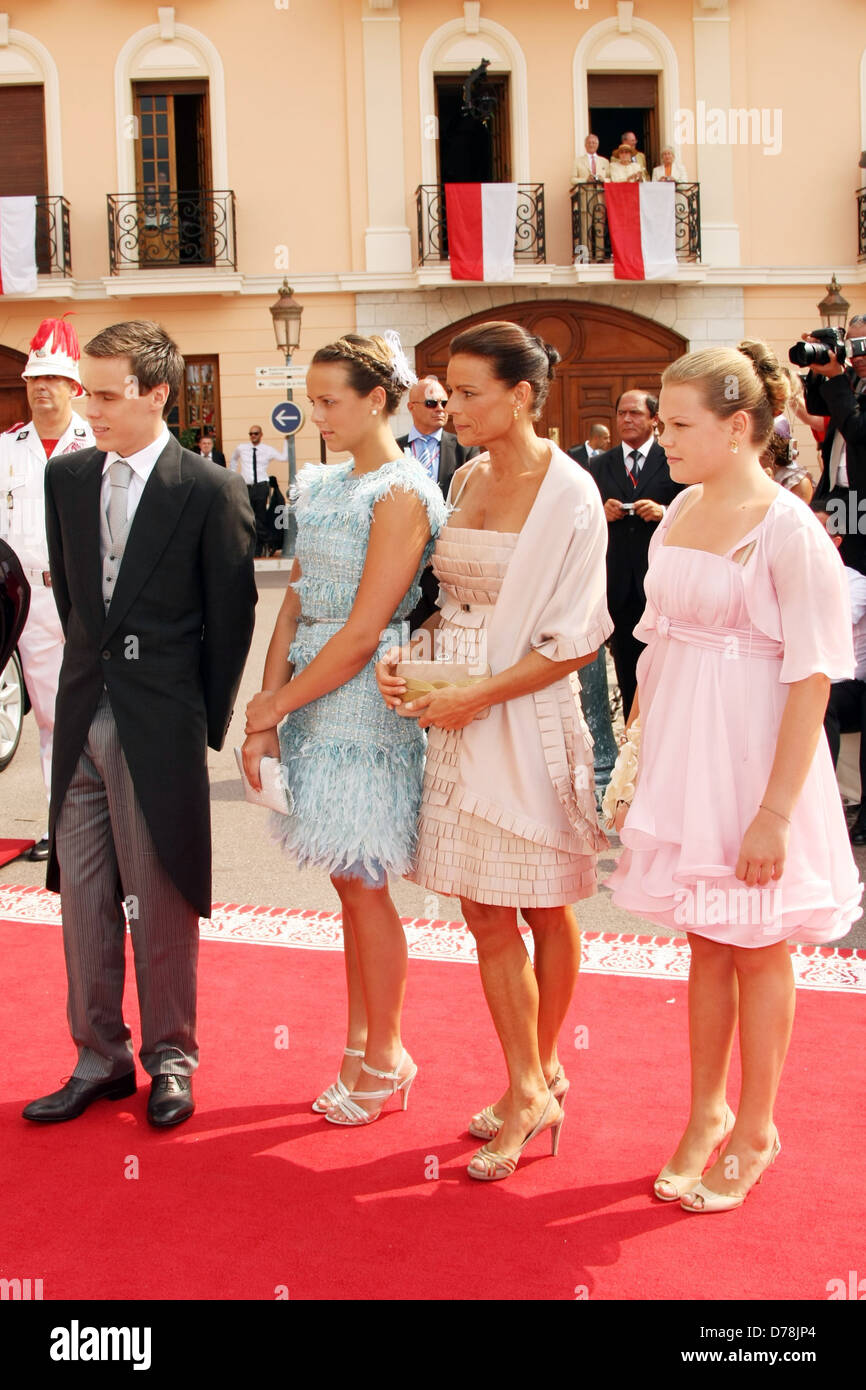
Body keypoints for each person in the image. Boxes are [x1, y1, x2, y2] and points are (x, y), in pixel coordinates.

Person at [606, 341, 862, 1213]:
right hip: (687, 755)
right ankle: (706, 1109)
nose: (662, 438)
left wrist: (776, 815)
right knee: (706, 943)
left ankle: (757, 1126)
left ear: (739, 426)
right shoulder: (676, 513)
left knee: (759, 947)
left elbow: (813, 675)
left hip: (759, 762)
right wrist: (637, 754)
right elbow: (658, 642)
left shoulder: (791, 531)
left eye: (681, 425)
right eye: (665, 423)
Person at [377, 322, 612, 1181]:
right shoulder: (468, 474)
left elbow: (580, 640)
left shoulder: (572, 494)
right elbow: (454, 603)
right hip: (456, 712)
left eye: (469, 391)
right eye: (446, 389)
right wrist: (414, 655)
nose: (448, 405)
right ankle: (530, 1079)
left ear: (521, 394)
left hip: (524, 716)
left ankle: (533, 1086)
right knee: (483, 912)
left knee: (544, 905)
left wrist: (477, 694)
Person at [23, 320, 257, 1128]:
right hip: (82, 712)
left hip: (160, 722)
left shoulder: (208, 490)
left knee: (159, 898)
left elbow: (230, 626)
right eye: (85, 389)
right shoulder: (68, 480)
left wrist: (194, 720)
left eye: (107, 394)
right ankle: (98, 1058)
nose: (88, 408)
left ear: (159, 392)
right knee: (83, 898)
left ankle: (171, 1060)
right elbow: (72, 604)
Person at [242, 332, 446, 1127]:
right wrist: (266, 711)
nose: (317, 413)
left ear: (376, 400)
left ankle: (386, 1054)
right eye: (313, 397)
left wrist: (278, 706)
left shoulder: (403, 492)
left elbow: (365, 631)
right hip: (308, 689)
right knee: (346, 882)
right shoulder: (321, 482)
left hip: (364, 696)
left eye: (330, 400)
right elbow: (292, 603)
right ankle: (362, 1046)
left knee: (365, 884)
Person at [0, 317, 94, 859]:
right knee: (51, 717)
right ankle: (61, 828)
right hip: (30, 602)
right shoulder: (9, 447)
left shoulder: (96, 443)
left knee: (98, 713)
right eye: (35, 379)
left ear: (73, 386)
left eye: (52, 379)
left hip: (84, 600)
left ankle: (101, 821)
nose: (40, 387)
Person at [589, 390, 684, 718]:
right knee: (628, 668)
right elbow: (579, 517)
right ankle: (633, 742)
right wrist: (600, 513)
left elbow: (697, 506)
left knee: (667, 669)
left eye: (636, 413)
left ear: (654, 419)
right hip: (618, 587)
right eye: (622, 414)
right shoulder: (600, 464)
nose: (627, 419)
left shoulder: (672, 458)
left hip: (661, 585)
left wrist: (664, 512)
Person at [395, 374, 478, 629]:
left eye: (444, 402)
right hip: (403, 566)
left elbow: (470, 502)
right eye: (432, 403)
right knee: (409, 640)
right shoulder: (394, 450)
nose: (441, 409)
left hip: (448, 566)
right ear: (412, 407)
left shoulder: (466, 448)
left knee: (449, 637)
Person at [806, 314, 866, 575]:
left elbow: (856, 429)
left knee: (855, 572)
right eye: (852, 345)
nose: (858, 355)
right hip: (836, 494)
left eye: (865, 345)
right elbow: (818, 406)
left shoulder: (846, 380)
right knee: (828, 568)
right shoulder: (851, 379)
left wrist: (837, 377)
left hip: (860, 502)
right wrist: (819, 364)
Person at [230, 426, 285, 556]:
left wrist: (288, 439)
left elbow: (283, 458)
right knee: (248, 516)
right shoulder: (241, 448)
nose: (253, 436)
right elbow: (233, 459)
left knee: (260, 517)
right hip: (246, 486)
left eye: (255, 433)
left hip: (261, 486)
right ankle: (269, 540)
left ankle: (258, 549)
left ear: (261, 434)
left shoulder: (267, 450)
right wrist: (233, 473)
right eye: (251, 434)